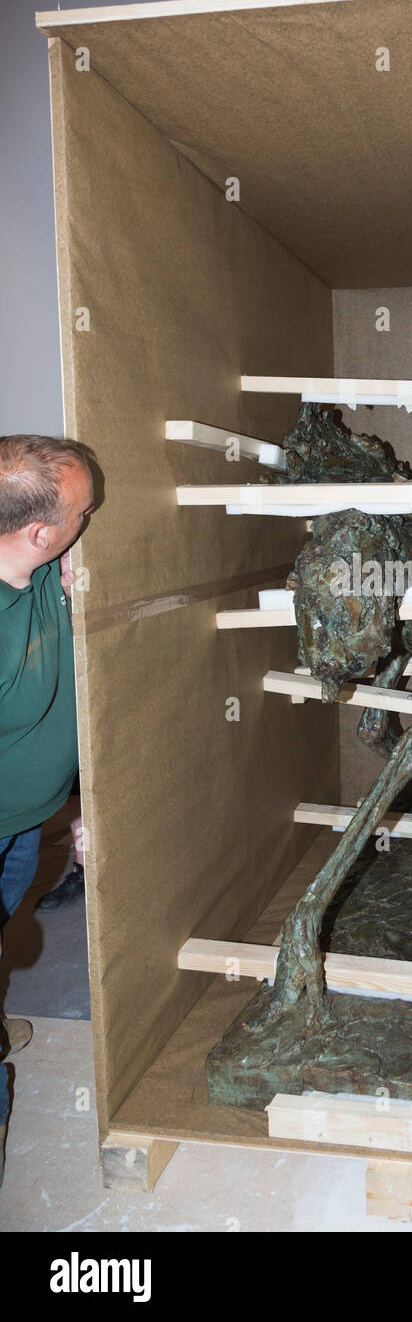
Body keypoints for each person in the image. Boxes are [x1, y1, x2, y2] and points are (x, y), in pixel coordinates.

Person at [0, 434, 94, 1185]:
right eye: (83, 512)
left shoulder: (34, 569)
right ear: (40, 529)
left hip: (23, 820)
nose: (91, 520)